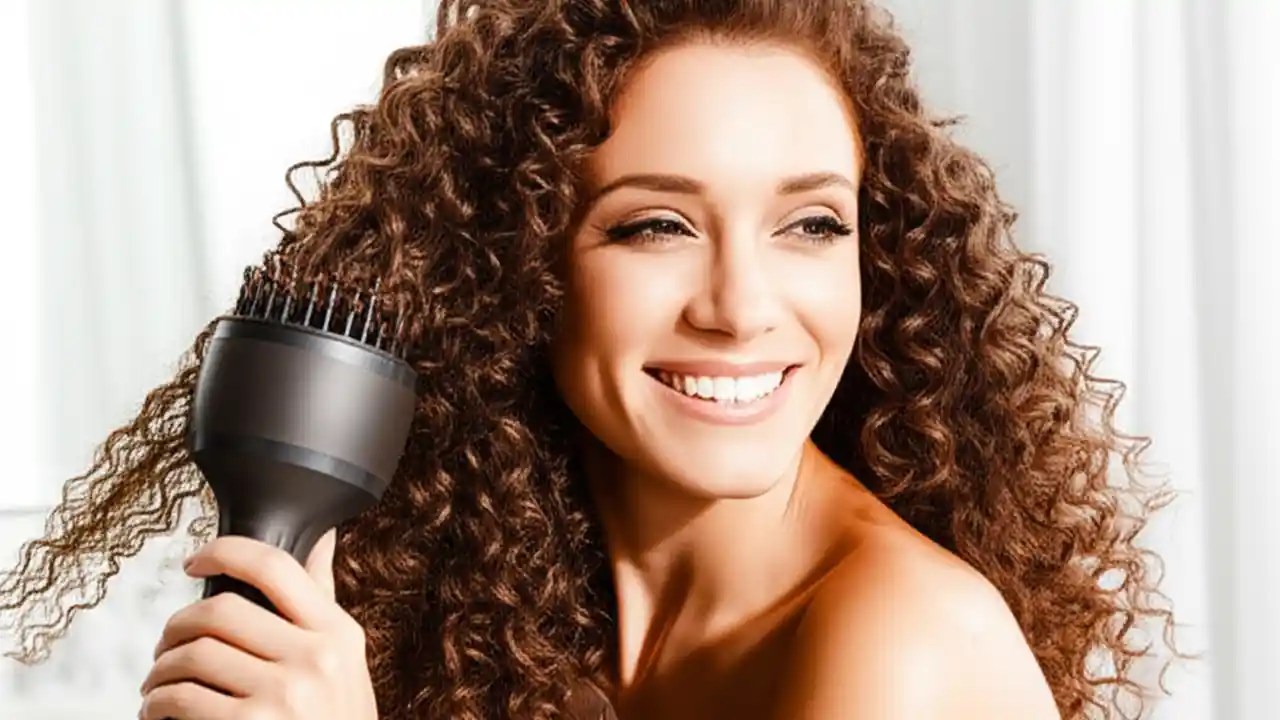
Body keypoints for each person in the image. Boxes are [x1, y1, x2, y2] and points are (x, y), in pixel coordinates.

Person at [0, 1, 1188, 718]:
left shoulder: (901, 643)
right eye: (653, 224)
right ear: (519, 268)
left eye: (811, 224)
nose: (740, 307)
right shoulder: (503, 617)